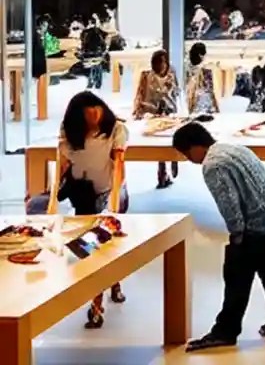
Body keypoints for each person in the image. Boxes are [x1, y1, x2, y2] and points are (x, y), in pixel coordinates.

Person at [173, 122, 265, 352]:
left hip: (258, 221)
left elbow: (229, 205)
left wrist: (237, 236)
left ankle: (225, 331)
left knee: (237, 276)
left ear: (194, 146)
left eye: (185, 153)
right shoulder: (231, 148)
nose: (188, 159)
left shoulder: (212, 165)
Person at [27, 91, 129, 327]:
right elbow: (62, 164)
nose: (94, 117)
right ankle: (102, 295)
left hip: (107, 194)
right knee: (88, 247)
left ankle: (102, 298)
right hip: (82, 195)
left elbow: (120, 165)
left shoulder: (116, 130)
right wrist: (50, 197)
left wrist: (114, 202)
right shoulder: (68, 132)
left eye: (97, 111)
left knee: (103, 244)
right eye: (88, 114)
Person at [133, 49, 180, 189]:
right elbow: (140, 95)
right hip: (153, 113)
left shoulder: (172, 74)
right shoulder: (147, 76)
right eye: (158, 64)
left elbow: (176, 93)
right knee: (159, 141)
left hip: (169, 112)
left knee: (170, 139)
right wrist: (138, 111)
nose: (161, 66)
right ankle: (163, 169)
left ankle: (169, 164)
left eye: (163, 63)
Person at [186, 43, 220, 115]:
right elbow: (210, 90)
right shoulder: (206, 71)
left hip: (193, 105)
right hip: (204, 104)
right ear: (201, 55)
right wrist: (216, 108)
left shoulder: (187, 70)